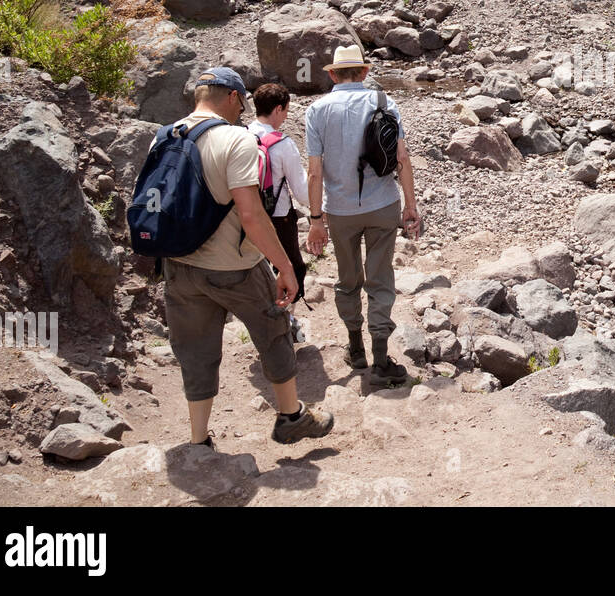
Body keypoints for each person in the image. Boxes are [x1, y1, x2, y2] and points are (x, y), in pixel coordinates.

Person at [162, 68, 333, 447]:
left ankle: (198, 438)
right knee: (273, 330)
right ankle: (291, 417)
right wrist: (285, 266)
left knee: (196, 349)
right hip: (233, 265)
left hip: (178, 265)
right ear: (235, 98)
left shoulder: (167, 134)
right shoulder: (235, 140)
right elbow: (252, 215)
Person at [304, 46, 421, 386]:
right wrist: (409, 205)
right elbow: (402, 158)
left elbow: (314, 171)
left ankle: (355, 348)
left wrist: (315, 220)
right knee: (380, 277)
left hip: (339, 209)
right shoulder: (385, 103)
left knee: (347, 277)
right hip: (383, 203)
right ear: (365, 72)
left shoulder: (317, 110)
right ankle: (382, 358)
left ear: (332, 74)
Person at [248, 83, 311, 342]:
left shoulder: (239, 135)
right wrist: (319, 212)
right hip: (280, 218)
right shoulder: (283, 144)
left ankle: (260, 319)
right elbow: (301, 191)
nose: (286, 116)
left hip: (246, 216)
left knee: (256, 270)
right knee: (291, 269)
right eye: (285, 110)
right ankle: (286, 323)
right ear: (277, 109)